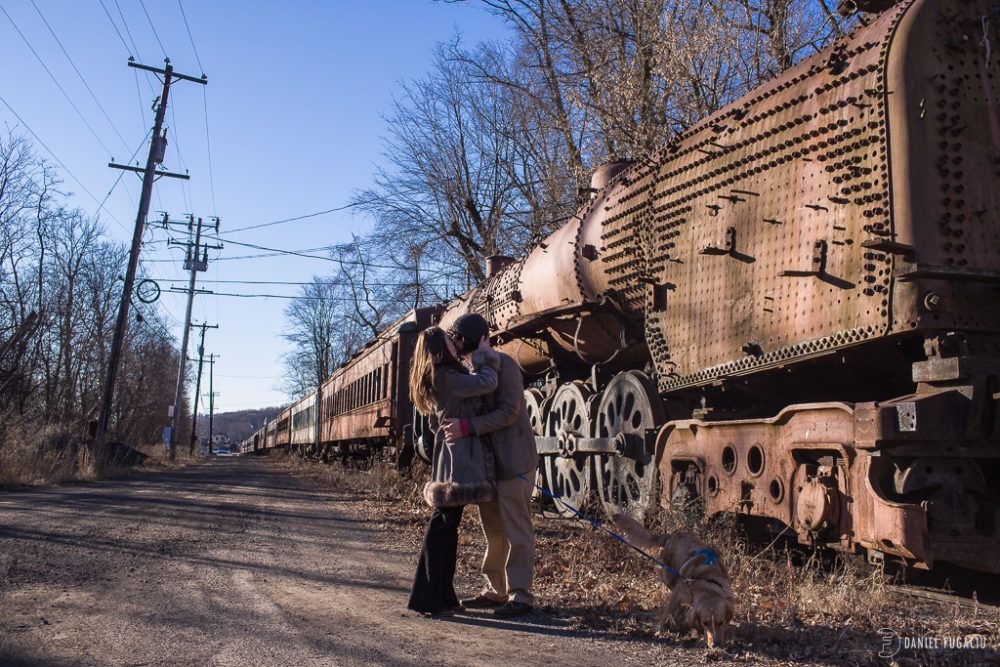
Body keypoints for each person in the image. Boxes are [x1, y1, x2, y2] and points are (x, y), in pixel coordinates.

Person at [443, 313, 539, 618]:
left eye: (458, 337)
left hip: (513, 461)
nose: (455, 343)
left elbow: (509, 412)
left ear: (473, 336)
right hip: (487, 466)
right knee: (494, 532)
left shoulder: (505, 364)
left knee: (516, 530)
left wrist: (468, 427)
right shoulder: (473, 371)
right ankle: (496, 590)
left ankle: (521, 594)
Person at [407, 326, 500, 617]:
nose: (455, 344)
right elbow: (487, 383)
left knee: (447, 527)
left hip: (449, 456)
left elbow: (436, 425)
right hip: (455, 460)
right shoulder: (447, 377)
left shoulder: (439, 377)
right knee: (443, 527)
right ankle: (430, 598)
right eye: (449, 341)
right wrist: (485, 356)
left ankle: (441, 596)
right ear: (439, 348)